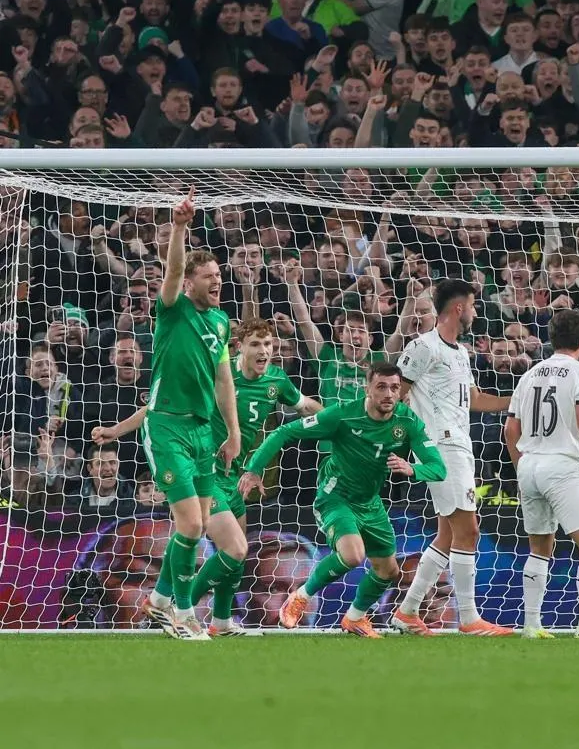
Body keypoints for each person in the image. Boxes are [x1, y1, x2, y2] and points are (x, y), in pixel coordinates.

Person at [95, 318, 322, 636]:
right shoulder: (215, 376)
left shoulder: (277, 381)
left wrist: (338, 418)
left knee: (233, 557)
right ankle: (177, 607)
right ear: (238, 347)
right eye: (255, 344)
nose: (264, 350)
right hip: (203, 472)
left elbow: (304, 406)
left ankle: (219, 622)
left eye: (268, 344)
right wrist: (115, 431)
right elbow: (158, 406)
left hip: (233, 479)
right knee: (233, 548)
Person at [239, 364, 447, 638]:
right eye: (381, 387)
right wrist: (254, 469)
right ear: (367, 389)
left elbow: (439, 468)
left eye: (395, 388)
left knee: (388, 570)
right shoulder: (342, 415)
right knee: (352, 554)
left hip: (370, 503)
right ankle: (299, 598)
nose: (389, 394)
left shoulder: (407, 422)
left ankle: (355, 618)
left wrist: (413, 469)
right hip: (335, 497)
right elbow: (283, 432)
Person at [136, 190, 240, 641]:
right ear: (191, 282)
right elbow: (173, 269)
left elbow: (223, 380)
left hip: (201, 431)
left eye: (219, 275)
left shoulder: (219, 323)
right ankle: (181, 614)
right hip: (167, 425)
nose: (217, 282)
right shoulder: (173, 309)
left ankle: (158, 603)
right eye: (209, 277)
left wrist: (233, 432)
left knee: (199, 529)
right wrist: (178, 227)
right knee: (192, 525)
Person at [392, 279, 514, 637]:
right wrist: (412, 441)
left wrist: (516, 399)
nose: (476, 312)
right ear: (459, 308)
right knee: (469, 530)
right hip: (440, 446)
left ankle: (407, 611)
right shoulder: (422, 347)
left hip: (462, 444)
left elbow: (474, 400)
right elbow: (398, 393)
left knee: (447, 535)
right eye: (474, 306)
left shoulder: (460, 352)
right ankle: (469, 618)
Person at [504, 309, 579, 639]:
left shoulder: (529, 375)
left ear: (551, 339)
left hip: (529, 465)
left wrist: (522, 467)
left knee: (540, 548)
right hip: (561, 465)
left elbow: (509, 430)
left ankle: (531, 625)